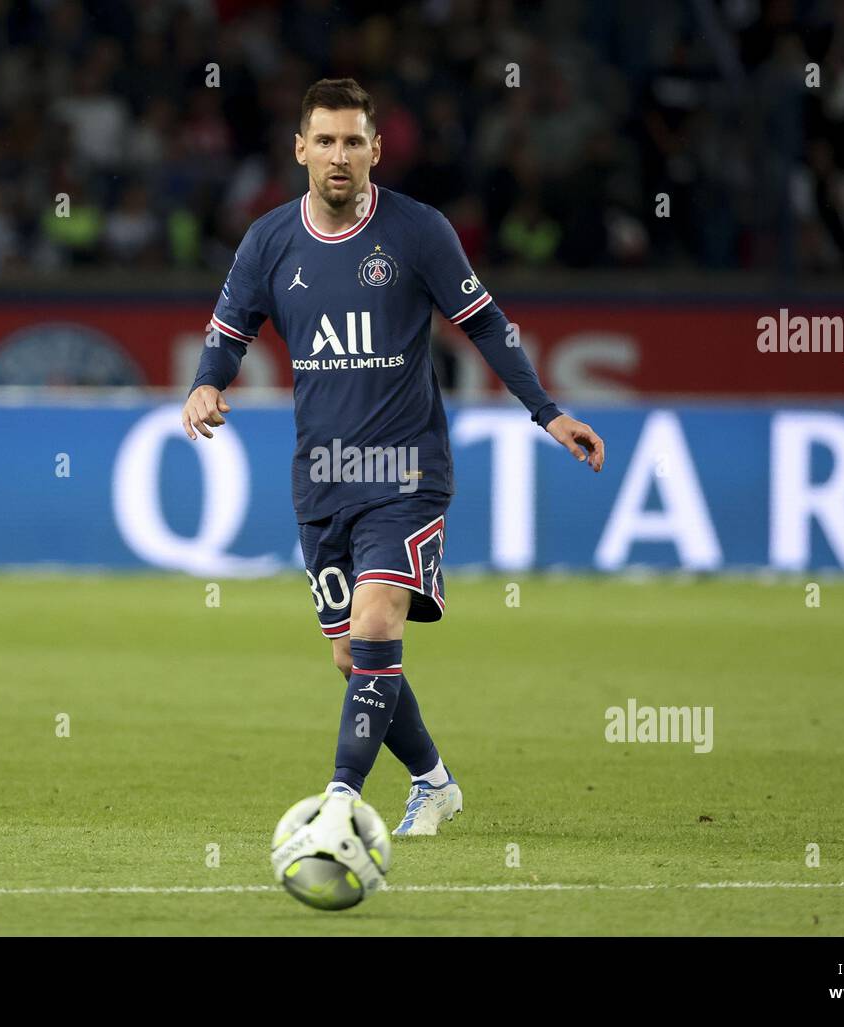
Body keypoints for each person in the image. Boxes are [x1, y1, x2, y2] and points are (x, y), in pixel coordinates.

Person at [182, 78, 604, 836]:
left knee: (378, 621)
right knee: (354, 656)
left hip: (406, 474)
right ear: (300, 148)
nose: (339, 156)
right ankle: (435, 782)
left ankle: (340, 800)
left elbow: (487, 324)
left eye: (354, 142)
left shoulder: (418, 232)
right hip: (322, 479)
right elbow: (226, 332)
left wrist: (548, 410)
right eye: (326, 141)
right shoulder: (269, 241)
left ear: (376, 149)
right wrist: (206, 385)